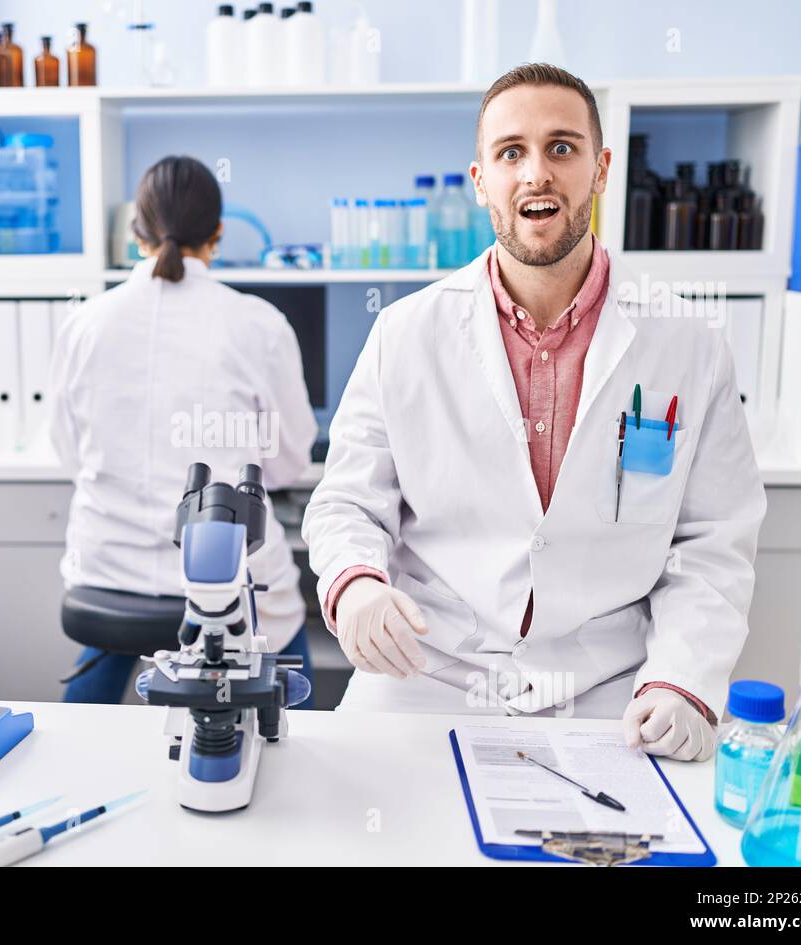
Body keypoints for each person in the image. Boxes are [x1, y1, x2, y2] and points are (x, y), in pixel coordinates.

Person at [302, 64, 767, 760]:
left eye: (562, 147)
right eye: (511, 152)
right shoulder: (405, 333)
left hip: (610, 685)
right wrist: (358, 584)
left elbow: (711, 541)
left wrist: (680, 681)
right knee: (351, 825)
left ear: (601, 168)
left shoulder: (689, 345)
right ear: (480, 178)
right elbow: (347, 502)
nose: (536, 174)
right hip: (431, 669)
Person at [49, 155, 319, 705]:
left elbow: (67, 452)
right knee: (294, 680)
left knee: (92, 698)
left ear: (135, 232)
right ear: (217, 234)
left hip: (107, 574)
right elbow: (290, 463)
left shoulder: (83, 323)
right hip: (226, 584)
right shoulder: (258, 324)